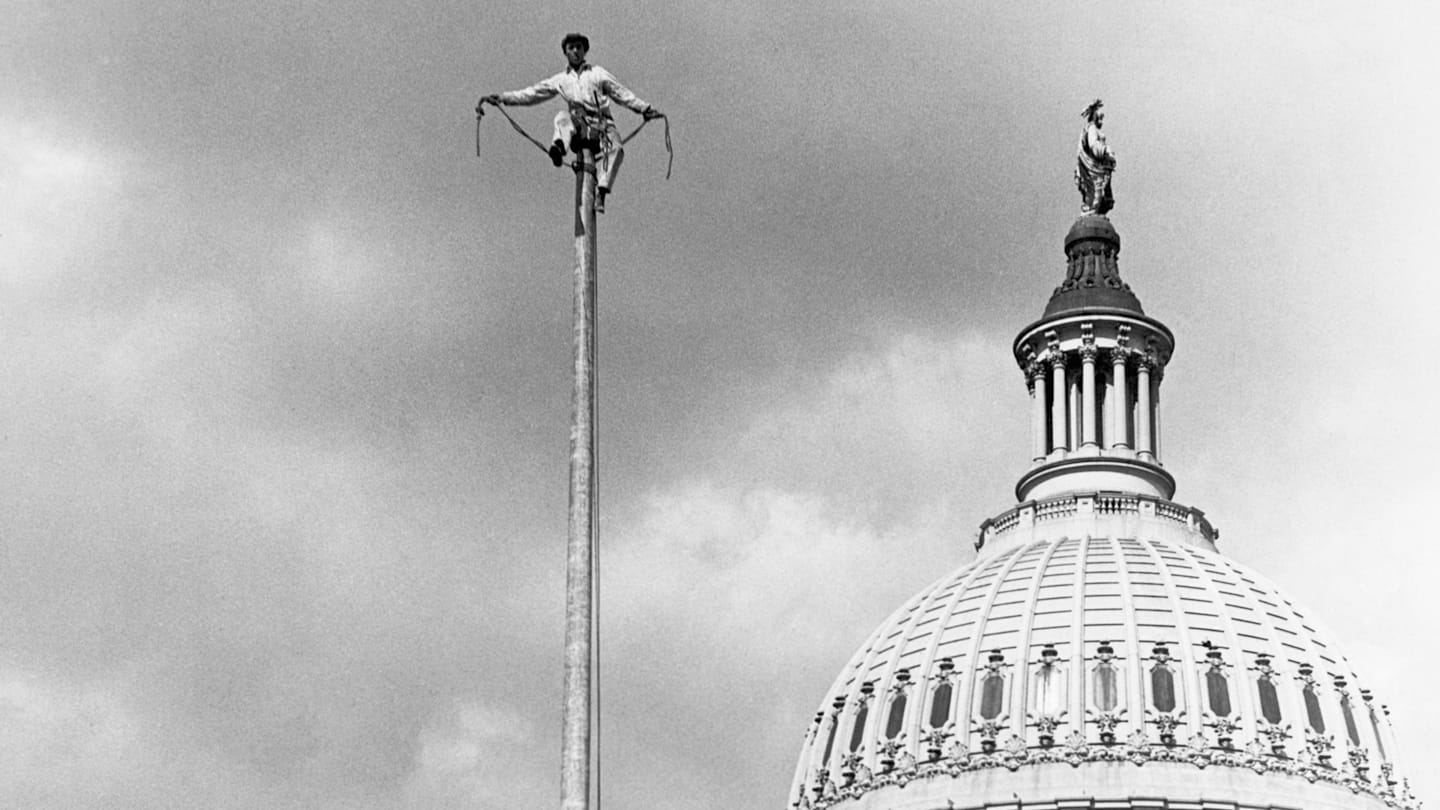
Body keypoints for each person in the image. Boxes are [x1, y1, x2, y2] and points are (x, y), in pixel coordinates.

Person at [482, 33, 662, 212]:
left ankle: (601, 190)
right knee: (562, 117)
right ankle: (559, 147)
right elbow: (533, 93)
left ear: (584, 51)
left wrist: (644, 108)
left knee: (617, 148)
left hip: (601, 123)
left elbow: (621, 93)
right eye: (571, 48)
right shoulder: (561, 80)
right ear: (566, 52)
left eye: (579, 47)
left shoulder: (597, 73)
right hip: (577, 122)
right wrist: (503, 98)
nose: (576, 51)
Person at [1075, 99, 1116, 216]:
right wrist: (1106, 151)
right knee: (1096, 191)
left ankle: (1094, 212)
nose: (1102, 119)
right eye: (1100, 116)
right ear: (1095, 115)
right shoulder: (1092, 129)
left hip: (1100, 168)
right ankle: (1091, 211)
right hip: (1095, 168)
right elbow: (1093, 146)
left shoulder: (1093, 129)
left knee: (1100, 193)